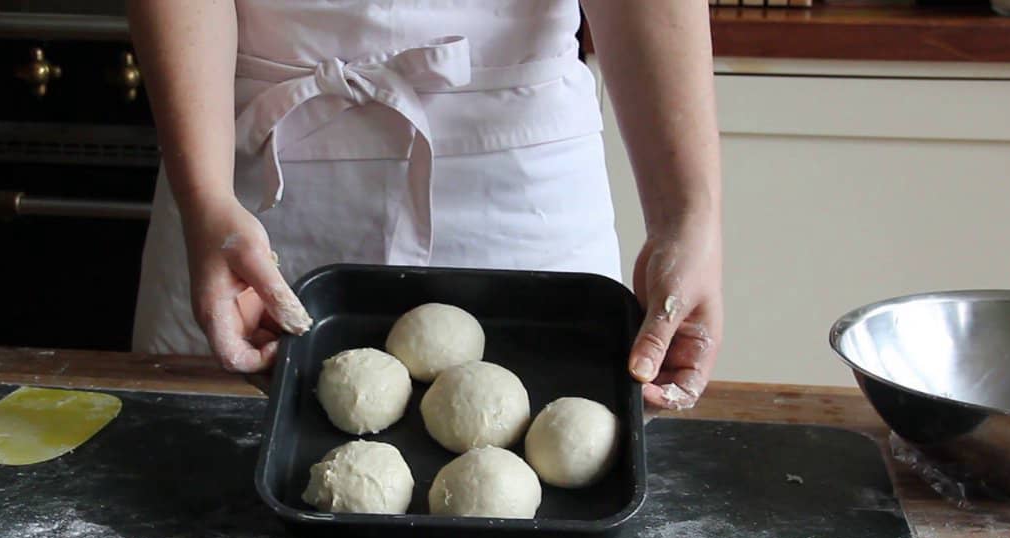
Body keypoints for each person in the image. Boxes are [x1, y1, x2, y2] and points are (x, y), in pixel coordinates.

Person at [128, 1, 722, 410]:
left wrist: (686, 215)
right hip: (244, 195)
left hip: (522, 191)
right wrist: (207, 199)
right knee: (208, 505)